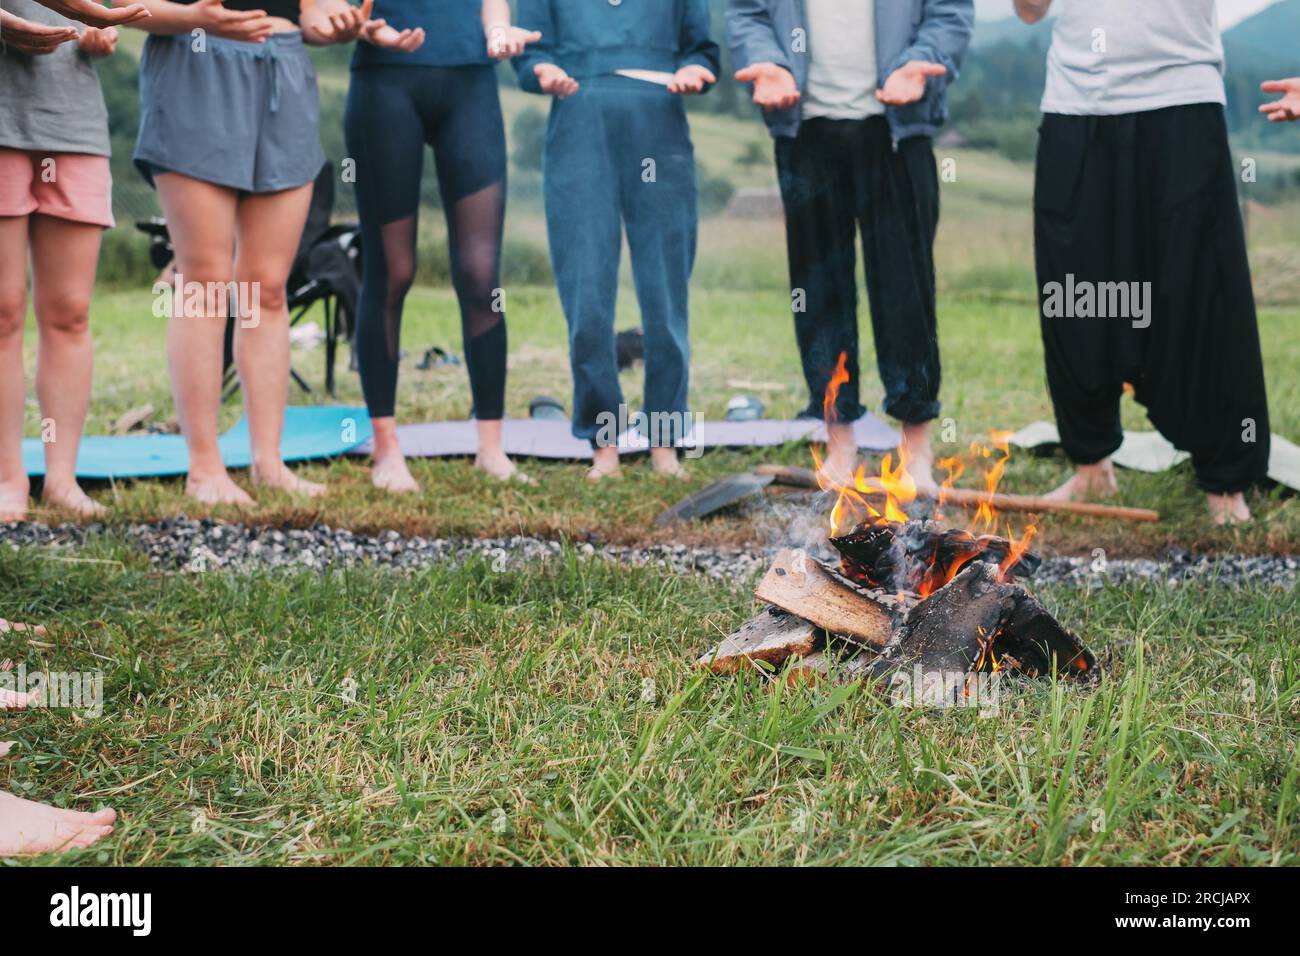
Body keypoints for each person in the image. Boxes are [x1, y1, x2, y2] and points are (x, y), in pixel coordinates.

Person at [127, 0, 398, 507]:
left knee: (265, 289)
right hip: (195, 63)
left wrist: (337, 25)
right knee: (204, 284)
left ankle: (268, 462)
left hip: (285, 69)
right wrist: (193, 20)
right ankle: (205, 468)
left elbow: (307, 12)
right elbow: (120, 7)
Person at [1017, 0, 1271, 525]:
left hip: (1181, 92)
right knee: (1074, 292)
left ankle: (1225, 482)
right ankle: (1091, 463)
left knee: (1200, 289)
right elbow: (1029, 11)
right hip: (1075, 100)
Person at [727, 0, 974, 495]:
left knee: (907, 295)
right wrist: (771, 62)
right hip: (805, 132)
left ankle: (916, 448)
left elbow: (949, 12)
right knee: (818, 295)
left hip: (898, 130)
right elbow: (747, 12)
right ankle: (840, 444)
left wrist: (919, 60)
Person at [514, 0, 719, 482]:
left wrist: (693, 69)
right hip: (580, 128)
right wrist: (542, 69)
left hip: (659, 129)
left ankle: (665, 440)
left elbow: (704, 53)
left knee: (665, 296)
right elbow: (529, 54)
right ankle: (603, 441)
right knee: (587, 298)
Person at [345, 0, 539, 493]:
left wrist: (497, 32)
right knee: (393, 270)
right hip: (385, 81)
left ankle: (491, 447)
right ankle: (386, 448)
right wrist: (356, 23)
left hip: (470, 82)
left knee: (481, 275)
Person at [0, 0, 121, 522]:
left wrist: (100, 33)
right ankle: (7, 478)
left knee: (70, 312)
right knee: (3, 313)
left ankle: (62, 479)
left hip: (76, 126)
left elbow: (103, 13)